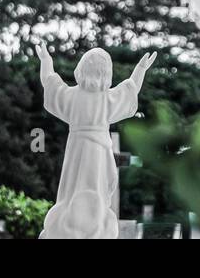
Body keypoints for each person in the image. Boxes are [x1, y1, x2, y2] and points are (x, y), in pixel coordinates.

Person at [36, 43, 157, 239]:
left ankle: (70, 228)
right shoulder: (107, 99)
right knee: (97, 191)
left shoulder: (72, 96)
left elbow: (48, 82)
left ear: (81, 69)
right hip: (99, 152)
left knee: (72, 190)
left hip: (77, 149)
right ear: (107, 73)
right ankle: (94, 230)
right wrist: (140, 69)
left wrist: (46, 61)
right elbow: (131, 89)